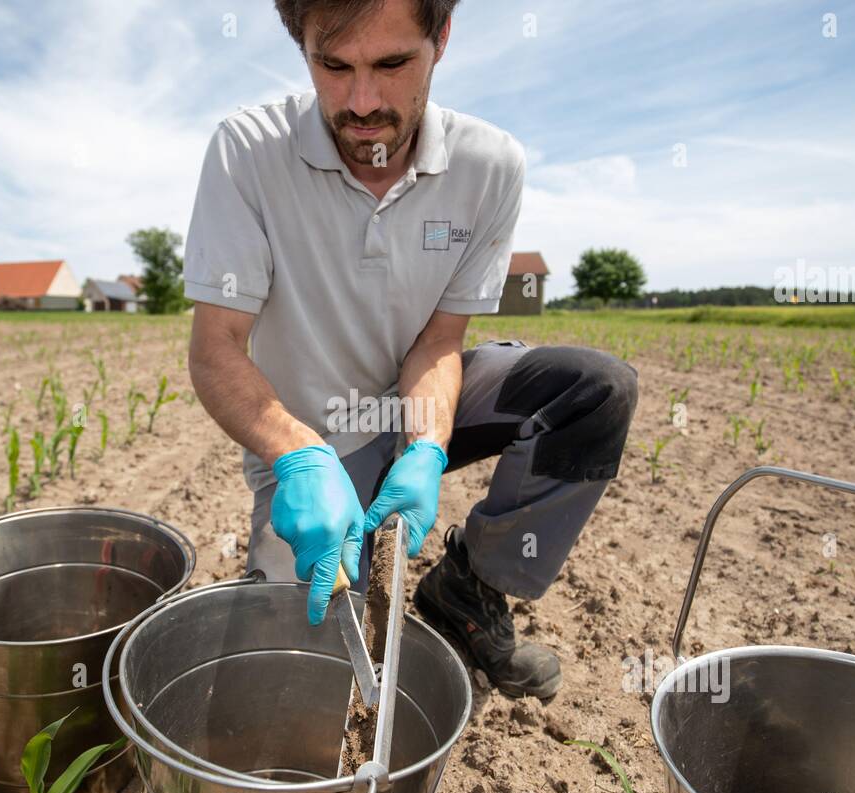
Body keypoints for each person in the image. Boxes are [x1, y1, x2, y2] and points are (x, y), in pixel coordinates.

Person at [186, 0, 638, 699]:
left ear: (441, 38)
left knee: (594, 390)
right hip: (314, 435)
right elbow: (215, 348)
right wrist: (296, 453)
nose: (361, 102)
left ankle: (471, 590)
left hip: (421, 396)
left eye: (392, 64)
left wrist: (425, 445)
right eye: (332, 66)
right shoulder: (248, 152)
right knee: (300, 667)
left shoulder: (489, 167)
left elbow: (439, 340)